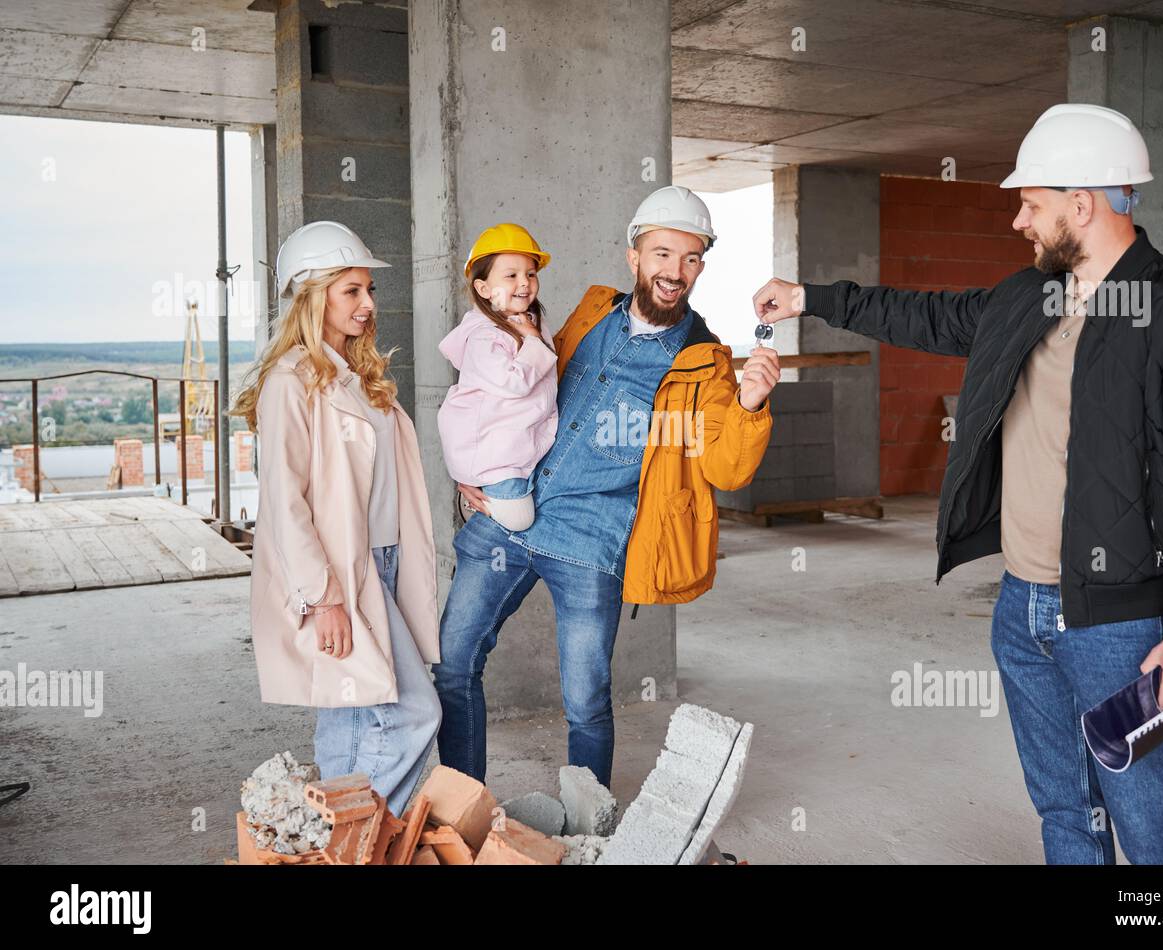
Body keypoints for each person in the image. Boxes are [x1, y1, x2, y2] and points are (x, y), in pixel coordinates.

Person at [752, 104, 1163, 864]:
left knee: (1151, 826)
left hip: (1118, 624)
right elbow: (925, 316)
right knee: (1064, 810)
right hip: (1021, 604)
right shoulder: (1033, 297)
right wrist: (813, 299)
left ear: (1081, 205)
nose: (1020, 221)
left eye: (1032, 203)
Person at [435, 186, 780, 787]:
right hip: (513, 512)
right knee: (453, 666)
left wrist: (750, 404)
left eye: (691, 258)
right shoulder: (592, 312)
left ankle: (585, 828)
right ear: (635, 257)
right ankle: (461, 810)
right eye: (663, 254)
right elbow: (512, 398)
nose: (676, 272)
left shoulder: (705, 358)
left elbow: (727, 468)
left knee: (587, 702)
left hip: (591, 542)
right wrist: (477, 470)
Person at [234, 220, 443, 815]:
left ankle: (336, 843)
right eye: (351, 290)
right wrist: (322, 595)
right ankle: (347, 836)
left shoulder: (356, 376)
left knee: (350, 717)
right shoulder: (288, 383)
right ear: (312, 294)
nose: (368, 304)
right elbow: (283, 501)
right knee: (413, 712)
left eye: (368, 290)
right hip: (340, 575)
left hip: (382, 560)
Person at [437, 223, 558, 532]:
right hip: (496, 455)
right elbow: (514, 382)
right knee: (520, 520)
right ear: (484, 289)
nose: (524, 283)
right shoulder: (484, 337)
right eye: (511, 275)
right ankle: (477, 510)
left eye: (531, 273)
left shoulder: (528, 321)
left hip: (520, 445)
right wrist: (532, 342)